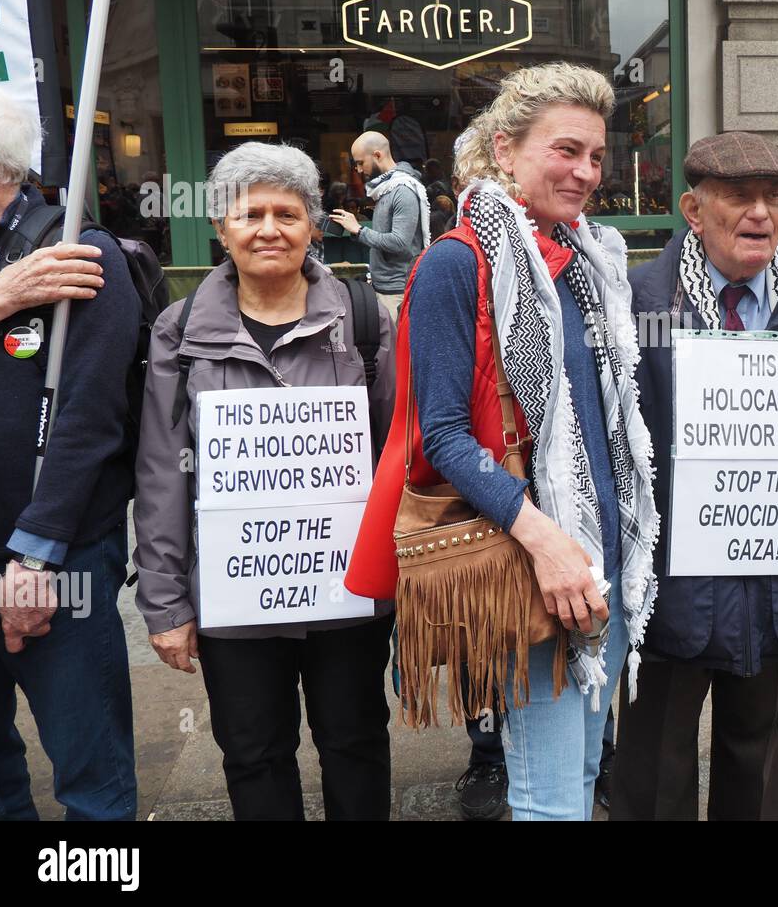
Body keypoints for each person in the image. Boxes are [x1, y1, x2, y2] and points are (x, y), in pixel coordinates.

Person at [346, 62, 658, 822]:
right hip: (531, 560)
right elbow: (442, 435)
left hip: (607, 554)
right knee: (549, 797)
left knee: (583, 771)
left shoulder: (589, 260)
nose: (586, 170)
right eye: (565, 150)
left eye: (594, 155)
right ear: (507, 150)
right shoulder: (456, 261)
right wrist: (546, 540)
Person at [611, 131, 778, 821]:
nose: (760, 213)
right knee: (653, 772)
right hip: (669, 590)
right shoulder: (637, 300)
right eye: (739, 197)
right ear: (693, 210)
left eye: (774, 196)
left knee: (758, 761)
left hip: (777, 581)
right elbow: (610, 447)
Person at [133, 142, 396, 821]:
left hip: (347, 590)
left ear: (314, 224)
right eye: (250, 213)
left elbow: (400, 457)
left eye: (287, 211)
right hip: (234, 602)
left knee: (357, 742)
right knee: (253, 754)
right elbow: (162, 470)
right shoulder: (179, 329)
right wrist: (166, 603)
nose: (269, 228)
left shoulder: (365, 321)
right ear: (221, 228)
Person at [0, 83, 139, 821]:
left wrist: (34, 557)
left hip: (55, 560)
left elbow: (88, 421)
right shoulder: (5, 277)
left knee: (93, 780)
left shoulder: (77, 251)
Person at [329, 131, 429, 314]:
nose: (358, 170)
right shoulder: (386, 188)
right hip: (384, 287)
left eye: (360, 162)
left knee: (395, 343)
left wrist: (359, 231)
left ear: (377, 155)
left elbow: (399, 242)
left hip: (397, 291)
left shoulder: (402, 190)